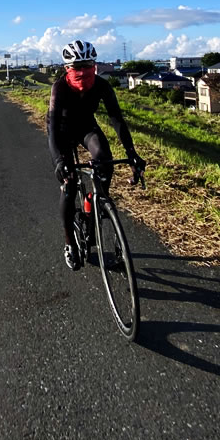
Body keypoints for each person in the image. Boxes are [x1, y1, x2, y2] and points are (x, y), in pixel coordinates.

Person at [47, 40, 145, 270]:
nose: (82, 72)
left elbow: (116, 118)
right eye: (76, 67)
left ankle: (96, 201)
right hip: (61, 132)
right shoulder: (59, 88)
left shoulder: (101, 85)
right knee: (69, 187)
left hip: (86, 128)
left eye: (87, 65)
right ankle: (70, 243)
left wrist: (132, 153)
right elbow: (51, 128)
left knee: (104, 160)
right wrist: (60, 161)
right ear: (67, 69)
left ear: (94, 65)